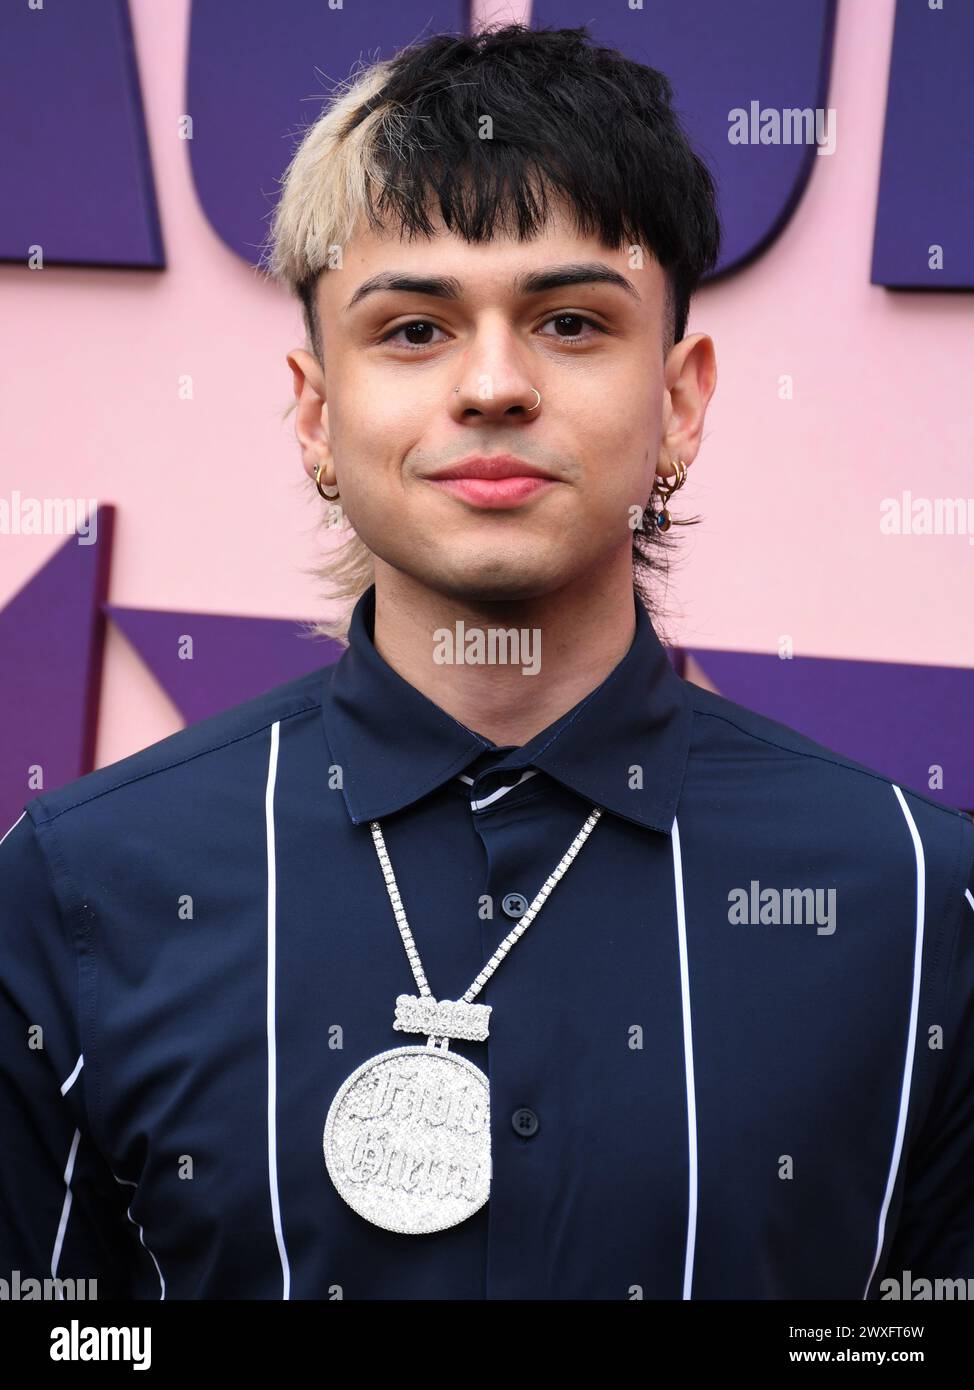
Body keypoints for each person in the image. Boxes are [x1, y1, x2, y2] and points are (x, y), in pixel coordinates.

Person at [2, 23, 972, 1302]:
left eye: (569, 321)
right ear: (315, 412)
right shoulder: (80, 886)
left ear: (678, 399)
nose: (493, 385)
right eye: (412, 329)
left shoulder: (912, 898)